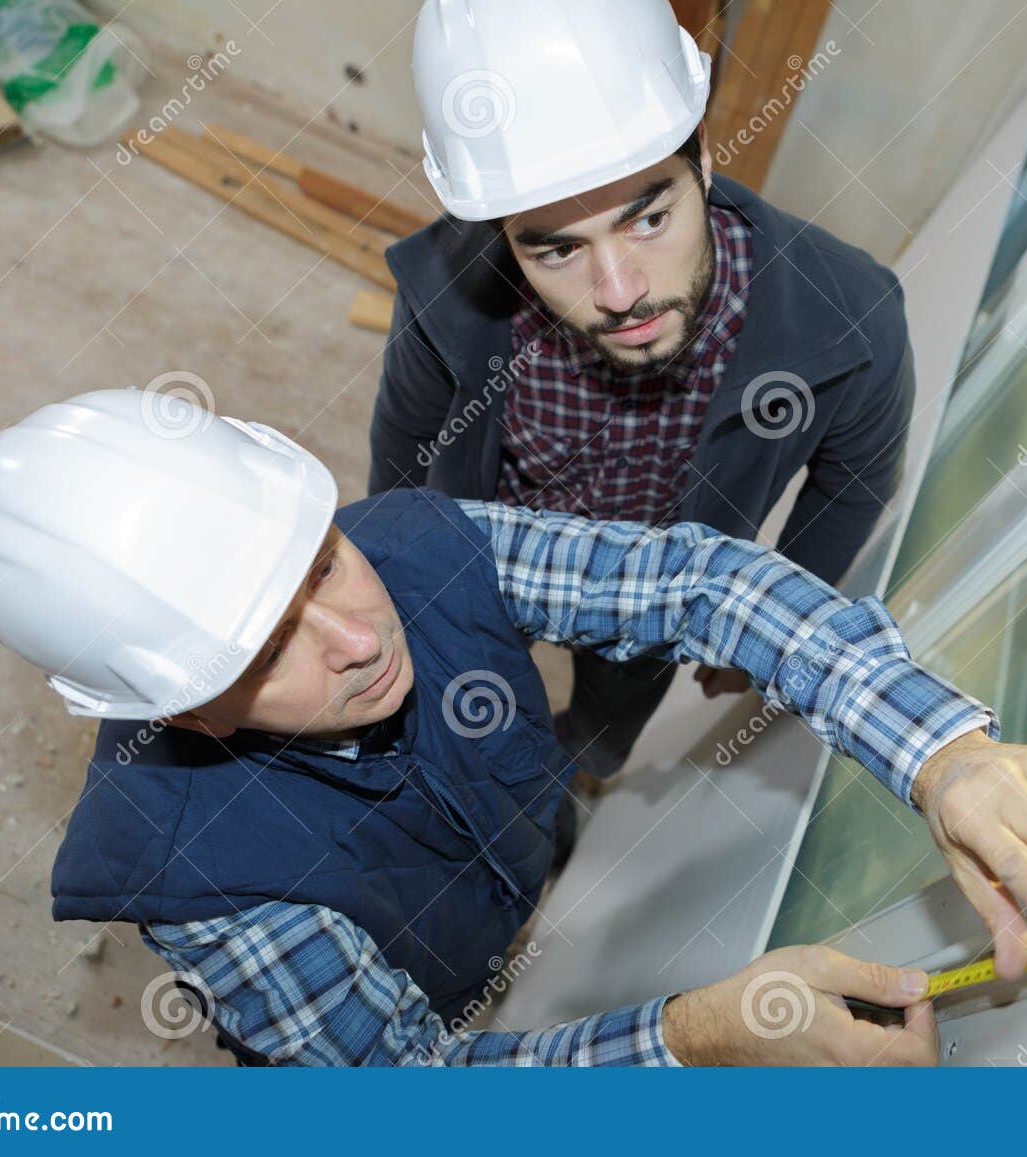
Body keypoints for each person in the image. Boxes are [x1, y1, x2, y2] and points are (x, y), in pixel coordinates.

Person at [0, 389, 1027, 1066]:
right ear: (175, 707)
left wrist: (940, 750)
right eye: (264, 652)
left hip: (511, 878)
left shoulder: (415, 542)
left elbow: (697, 586)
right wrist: (700, 1033)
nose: (356, 631)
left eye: (321, 560)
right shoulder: (195, 878)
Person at [372, 0, 924, 777]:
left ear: (700, 153)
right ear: (501, 231)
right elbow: (404, 444)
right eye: (558, 252)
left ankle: (576, 775)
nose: (620, 290)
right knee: (455, 684)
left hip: (660, 592)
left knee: (607, 719)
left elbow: (855, 486)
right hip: (496, 550)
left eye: (650, 219)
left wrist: (772, 632)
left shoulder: (850, 321)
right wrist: (391, 580)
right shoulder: (447, 296)